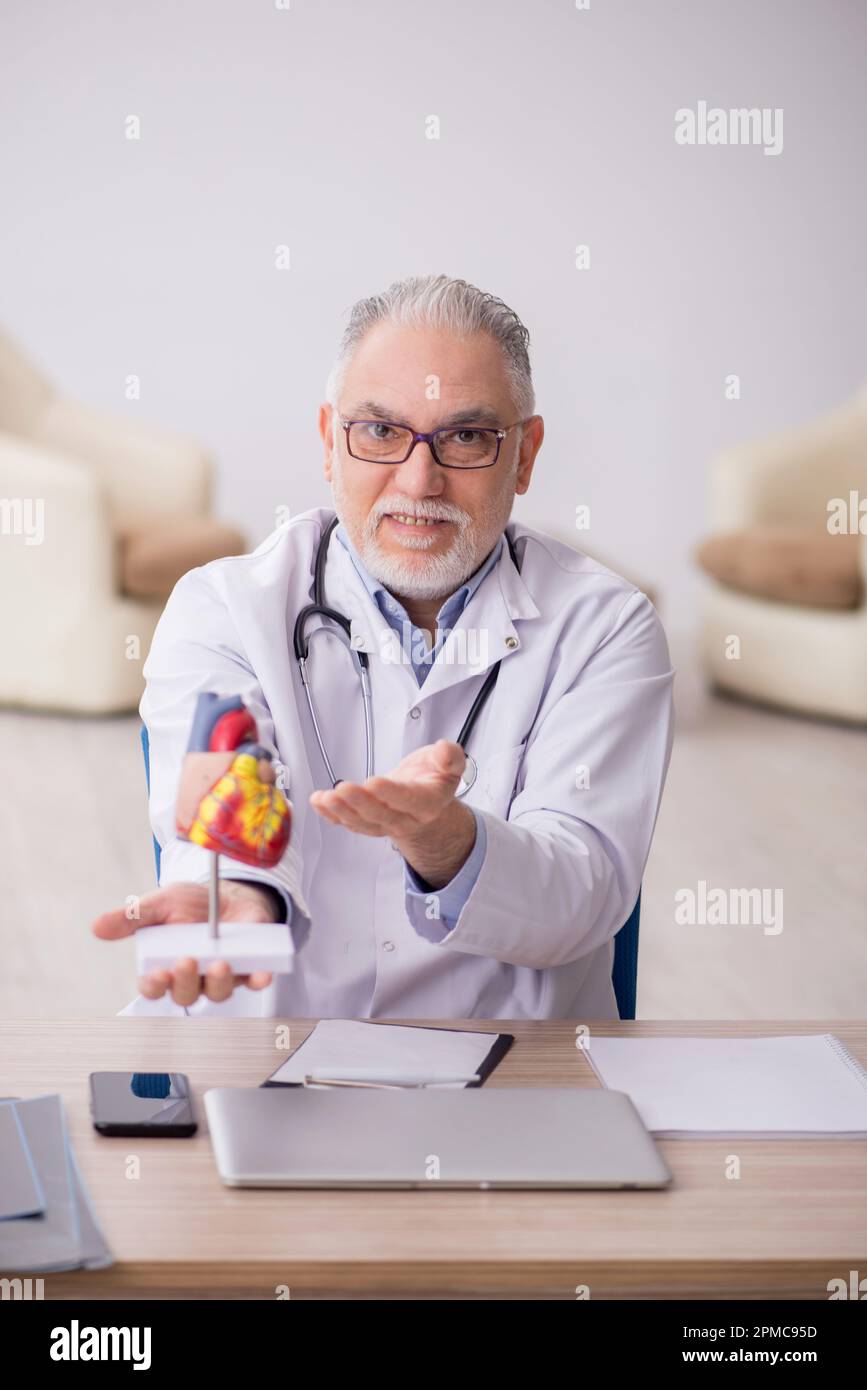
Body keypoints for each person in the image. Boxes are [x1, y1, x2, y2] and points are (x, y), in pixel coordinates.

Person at [92, 273, 674, 1019]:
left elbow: (585, 893)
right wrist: (236, 894)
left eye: (466, 436)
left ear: (523, 455)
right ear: (329, 442)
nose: (418, 478)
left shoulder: (605, 626)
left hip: (512, 1083)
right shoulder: (225, 608)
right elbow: (230, 787)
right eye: (379, 432)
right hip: (266, 1064)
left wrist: (448, 843)